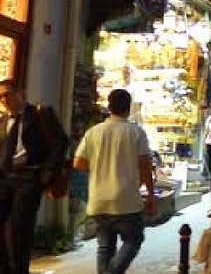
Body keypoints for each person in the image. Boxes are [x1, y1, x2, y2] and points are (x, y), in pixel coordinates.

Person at [73, 88, 155, 274]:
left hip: (99, 200)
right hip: (126, 200)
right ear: (128, 107)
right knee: (133, 240)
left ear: (109, 107)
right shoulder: (136, 133)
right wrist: (150, 194)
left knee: (105, 246)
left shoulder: (93, 132)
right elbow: (145, 165)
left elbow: (78, 163)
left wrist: (99, 170)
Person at [0, 79, 68, 274]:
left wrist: (47, 173)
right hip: (4, 179)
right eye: (0, 97)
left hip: (29, 178)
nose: (4, 100)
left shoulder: (40, 114)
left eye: (7, 94)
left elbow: (60, 143)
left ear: (20, 93)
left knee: (18, 231)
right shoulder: (3, 121)